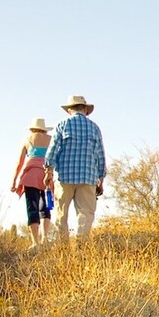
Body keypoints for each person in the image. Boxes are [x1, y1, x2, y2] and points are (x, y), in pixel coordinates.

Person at [46, 95, 107, 241]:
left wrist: (48, 171)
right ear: (85, 109)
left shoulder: (62, 125)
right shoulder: (94, 127)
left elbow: (53, 150)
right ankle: (81, 245)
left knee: (61, 214)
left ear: (69, 110)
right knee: (86, 213)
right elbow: (100, 155)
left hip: (64, 176)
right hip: (88, 176)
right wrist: (101, 179)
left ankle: (63, 247)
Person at [9, 118, 56, 246]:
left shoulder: (27, 139)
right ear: (44, 129)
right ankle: (45, 238)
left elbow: (19, 163)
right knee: (45, 206)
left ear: (32, 129)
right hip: (46, 174)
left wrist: (14, 181)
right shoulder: (50, 140)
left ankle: (35, 242)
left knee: (32, 207)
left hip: (30, 176)